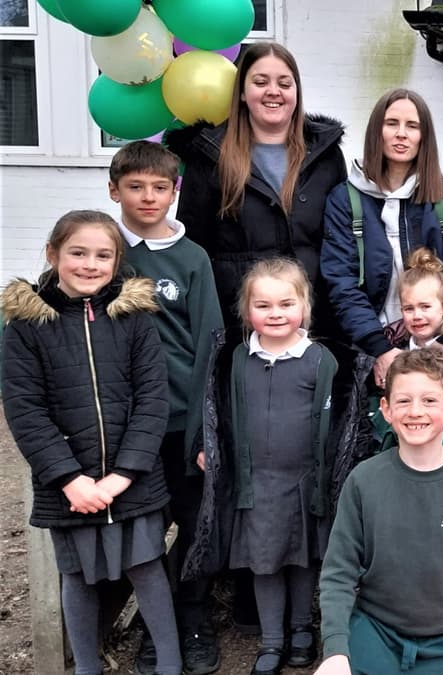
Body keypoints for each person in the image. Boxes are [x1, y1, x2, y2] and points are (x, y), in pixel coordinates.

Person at [2, 211, 181, 675]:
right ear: (53, 254)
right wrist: (69, 479)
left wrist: (123, 474)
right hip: (70, 486)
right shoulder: (25, 327)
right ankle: (86, 667)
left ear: (116, 261)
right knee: (78, 576)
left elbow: (152, 398)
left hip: (131, 479)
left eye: (102, 255)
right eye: (77, 253)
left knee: (147, 567)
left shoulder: (134, 318)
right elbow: (25, 409)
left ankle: (170, 664)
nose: (89, 264)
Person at [187, 259, 344, 675]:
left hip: (306, 482)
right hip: (256, 484)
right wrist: (212, 450)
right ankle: (272, 640)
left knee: (303, 558)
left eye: (286, 304)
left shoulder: (319, 360)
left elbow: (332, 422)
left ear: (305, 308)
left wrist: (325, 478)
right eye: (263, 305)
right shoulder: (237, 359)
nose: (275, 314)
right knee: (264, 561)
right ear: (246, 311)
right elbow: (218, 411)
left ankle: (302, 630)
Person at [107, 141, 224, 675]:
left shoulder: (192, 257)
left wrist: (204, 428)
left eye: (160, 187)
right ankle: (155, 629)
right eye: (136, 187)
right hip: (124, 426)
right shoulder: (105, 252)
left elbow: (208, 343)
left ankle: (192, 619)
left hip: (181, 421)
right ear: (114, 191)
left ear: (175, 192)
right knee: (142, 527)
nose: (148, 197)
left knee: (195, 522)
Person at [315, 349, 443, 675]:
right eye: (403, 401)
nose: (416, 411)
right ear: (385, 409)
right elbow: (338, 573)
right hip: (375, 633)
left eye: (429, 400)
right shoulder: (363, 480)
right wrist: (335, 651)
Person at [165, 41, 347, 334]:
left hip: (316, 322)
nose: (273, 91)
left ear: (296, 92)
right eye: (260, 82)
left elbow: (342, 239)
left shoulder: (326, 154)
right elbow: (195, 248)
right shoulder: (211, 155)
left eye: (284, 83)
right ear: (241, 92)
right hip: (240, 324)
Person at [321, 88, 443, 387]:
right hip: (372, 349)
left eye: (412, 126)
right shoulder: (345, 200)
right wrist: (380, 349)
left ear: (424, 136)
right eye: (391, 124)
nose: (401, 134)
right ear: (376, 131)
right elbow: (341, 282)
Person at [381, 248, 443, 357]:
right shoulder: (393, 347)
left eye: (425, 306)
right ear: (401, 311)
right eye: (409, 309)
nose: (417, 316)